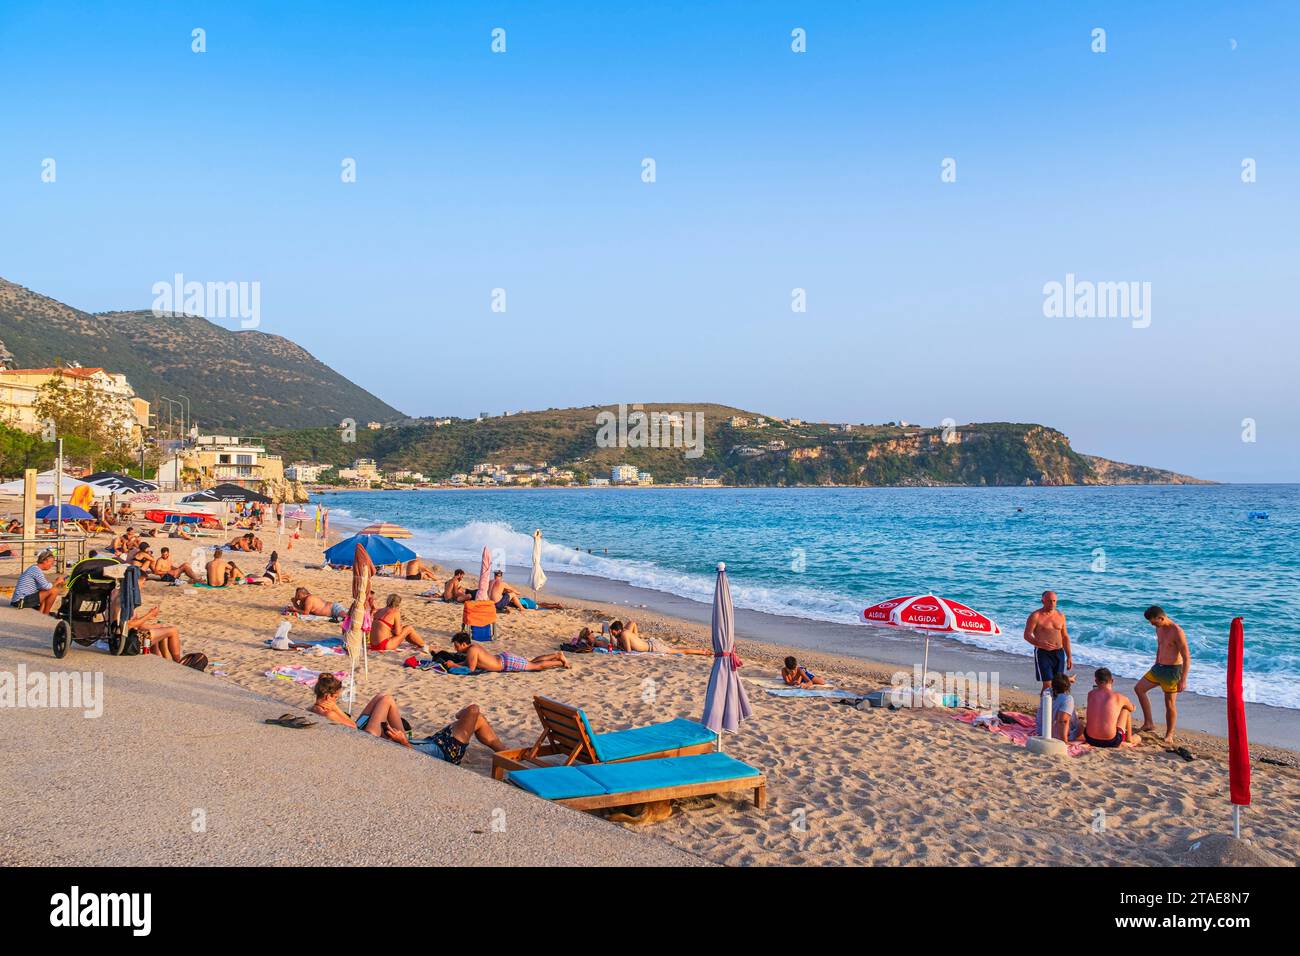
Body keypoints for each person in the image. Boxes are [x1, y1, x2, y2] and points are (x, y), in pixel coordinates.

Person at [1134, 605, 1191, 745]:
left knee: (1169, 703)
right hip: (1158, 668)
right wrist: (1156, 662)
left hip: (1172, 671)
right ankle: (1148, 723)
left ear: (1161, 617)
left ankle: (1169, 734)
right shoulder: (1158, 628)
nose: (1151, 624)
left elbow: (1187, 657)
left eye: (1153, 621)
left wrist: (1183, 679)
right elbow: (1160, 646)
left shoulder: (1177, 631)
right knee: (1139, 689)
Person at [309, 675, 411, 748]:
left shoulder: (312, 708)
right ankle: (404, 740)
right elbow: (354, 726)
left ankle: (403, 738)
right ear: (328, 696)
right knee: (387, 699)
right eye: (336, 697)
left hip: (359, 732)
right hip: (366, 737)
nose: (336, 700)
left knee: (380, 696)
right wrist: (336, 708)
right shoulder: (329, 713)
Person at [1023, 590, 1073, 691]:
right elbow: (1027, 635)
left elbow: (1065, 637)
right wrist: (1039, 644)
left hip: (1059, 652)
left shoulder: (1060, 616)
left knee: (1058, 685)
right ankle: (1043, 706)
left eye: (1054, 601)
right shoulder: (1035, 616)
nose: (1052, 604)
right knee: (1048, 685)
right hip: (1043, 653)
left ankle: (1052, 706)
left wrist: (1069, 656)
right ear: (1043, 601)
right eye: (1049, 601)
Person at [450, 631, 569, 671]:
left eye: (456, 646)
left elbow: (470, 669)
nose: (455, 649)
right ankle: (556, 655)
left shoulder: (472, 650)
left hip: (506, 662)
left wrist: (454, 664)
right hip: (505, 660)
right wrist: (453, 664)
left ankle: (559, 662)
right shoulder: (472, 648)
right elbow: (468, 663)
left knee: (535, 666)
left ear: (463, 644)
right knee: (532, 662)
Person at [1085, 667, 1138, 748]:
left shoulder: (1090, 694)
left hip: (1090, 739)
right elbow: (1131, 709)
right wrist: (1132, 707)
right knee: (1125, 710)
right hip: (1111, 741)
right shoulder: (1119, 697)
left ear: (1096, 681)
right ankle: (1129, 738)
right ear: (1112, 681)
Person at [608, 620, 710, 655]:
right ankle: (702, 651)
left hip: (653, 648)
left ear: (618, 630)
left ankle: (702, 651)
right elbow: (632, 623)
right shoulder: (625, 631)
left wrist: (612, 637)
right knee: (675, 649)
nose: (612, 633)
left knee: (678, 651)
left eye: (613, 632)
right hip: (649, 643)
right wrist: (637, 639)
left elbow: (628, 652)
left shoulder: (625, 634)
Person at [1046, 673, 1083, 742]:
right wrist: (1064, 741)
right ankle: (1076, 738)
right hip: (1055, 735)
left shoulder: (1047, 692)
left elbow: (1056, 684)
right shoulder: (1067, 699)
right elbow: (1063, 721)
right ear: (1067, 686)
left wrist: (1069, 679)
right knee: (1080, 724)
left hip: (1043, 730)